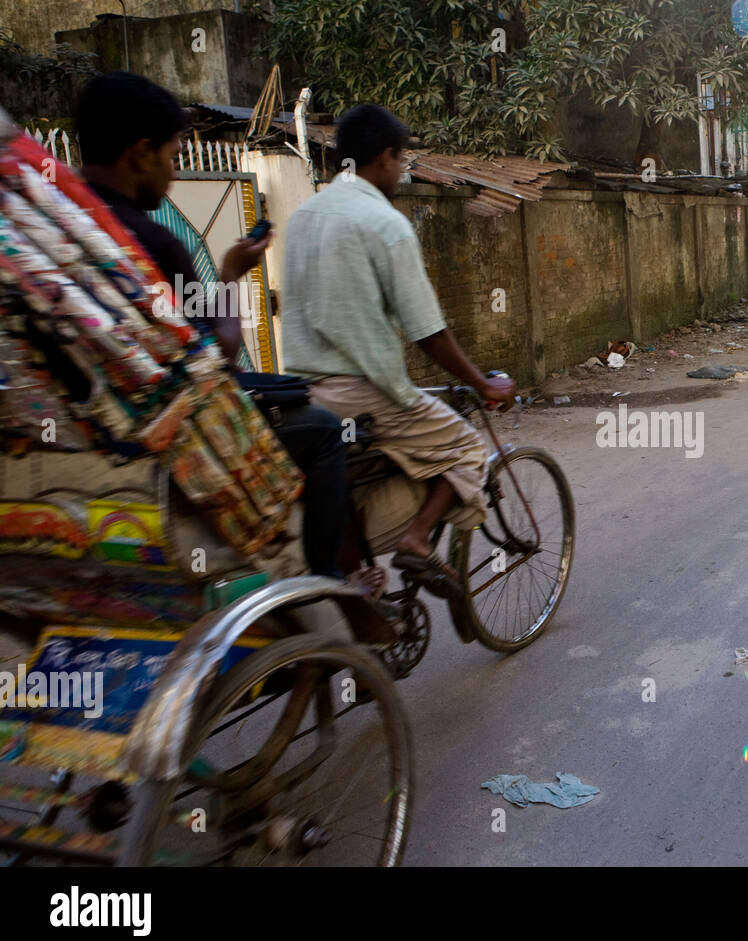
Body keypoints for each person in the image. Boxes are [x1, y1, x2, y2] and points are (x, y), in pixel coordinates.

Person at [74, 71, 357, 583]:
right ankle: (326, 588)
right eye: (173, 153)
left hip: (92, 435)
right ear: (140, 153)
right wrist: (229, 274)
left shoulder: (65, 228)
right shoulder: (154, 244)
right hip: (173, 436)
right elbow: (222, 352)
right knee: (325, 432)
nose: (175, 170)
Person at [279, 104, 516, 599]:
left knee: (345, 487)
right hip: (364, 393)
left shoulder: (303, 216)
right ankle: (415, 539)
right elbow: (427, 330)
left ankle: (352, 586)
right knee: (468, 446)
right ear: (385, 157)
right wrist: (481, 383)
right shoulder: (383, 223)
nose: (403, 170)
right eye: (401, 159)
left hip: (303, 394)